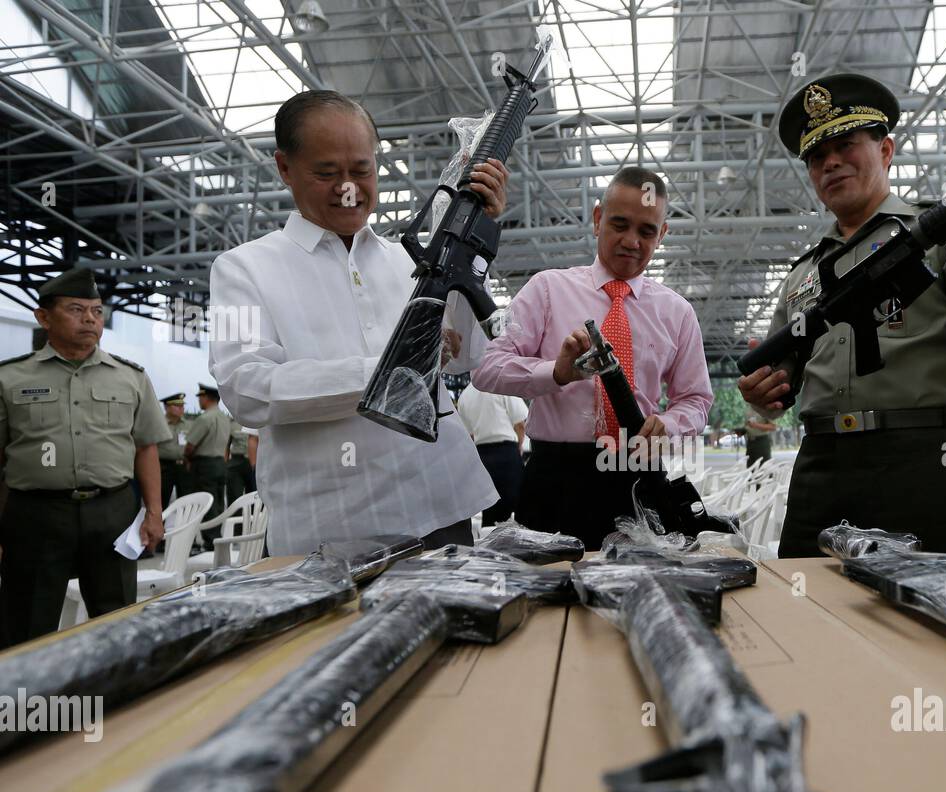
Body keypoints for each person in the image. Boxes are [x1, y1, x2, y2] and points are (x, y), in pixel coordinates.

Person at [738, 74, 946, 556]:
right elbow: (776, 389)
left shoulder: (945, 234)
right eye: (816, 157)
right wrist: (762, 397)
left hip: (922, 460)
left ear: (885, 150)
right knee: (807, 598)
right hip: (821, 463)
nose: (830, 162)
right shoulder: (802, 275)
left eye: (845, 144)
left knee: (925, 601)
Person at [209, 90, 506, 554]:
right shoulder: (239, 269)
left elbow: (466, 356)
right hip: (331, 530)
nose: (347, 188)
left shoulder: (409, 260)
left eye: (362, 170)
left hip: (441, 508)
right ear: (284, 167)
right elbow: (245, 388)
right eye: (326, 173)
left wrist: (472, 251)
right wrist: (389, 371)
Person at [473, 166, 713, 549]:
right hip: (555, 479)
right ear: (598, 218)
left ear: (662, 234)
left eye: (646, 231)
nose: (631, 241)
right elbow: (487, 368)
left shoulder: (677, 313)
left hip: (638, 476)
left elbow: (696, 399)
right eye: (620, 224)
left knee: (640, 583)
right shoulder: (547, 290)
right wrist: (556, 373)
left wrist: (669, 425)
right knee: (548, 583)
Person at [0, 267, 168, 646]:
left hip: (112, 513)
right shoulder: (10, 378)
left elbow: (146, 447)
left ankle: (115, 683)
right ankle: (29, 685)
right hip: (36, 515)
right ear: (44, 317)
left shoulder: (131, 377)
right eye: (76, 310)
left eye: (96, 311)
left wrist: (154, 513)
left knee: (117, 621)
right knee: (27, 625)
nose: (90, 319)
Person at [457, 382, 527, 526]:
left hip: (482, 456)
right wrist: (519, 448)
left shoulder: (464, 396)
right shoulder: (501, 385)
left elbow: (469, 435)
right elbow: (520, 424)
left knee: (489, 509)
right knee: (514, 507)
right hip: (507, 453)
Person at [185, 383, 232, 548]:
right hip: (220, 462)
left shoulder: (205, 418)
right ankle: (216, 536)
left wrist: (187, 458)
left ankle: (211, 540)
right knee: (218, 502)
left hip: (204, 464)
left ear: (207, 398)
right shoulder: (225, 419)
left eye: (201, 397)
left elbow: (190, 445)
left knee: (205, 502)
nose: (199, 400)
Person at [158, 391, 192, 507]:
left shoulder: (188, 425)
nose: (181, 408)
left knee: (185, 502)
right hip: (163, 467)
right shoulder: (158, 424)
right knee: (161, 501)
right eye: (177, 405)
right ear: (166, 407)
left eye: (182, 405)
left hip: (183, 467)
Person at [226, 424, 258, 502]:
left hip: (255, 462)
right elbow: (226, 445)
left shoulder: (258, 421)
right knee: (234, 497)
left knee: (254, 496)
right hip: (236, 461)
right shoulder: (232, 423)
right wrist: (225, 464)